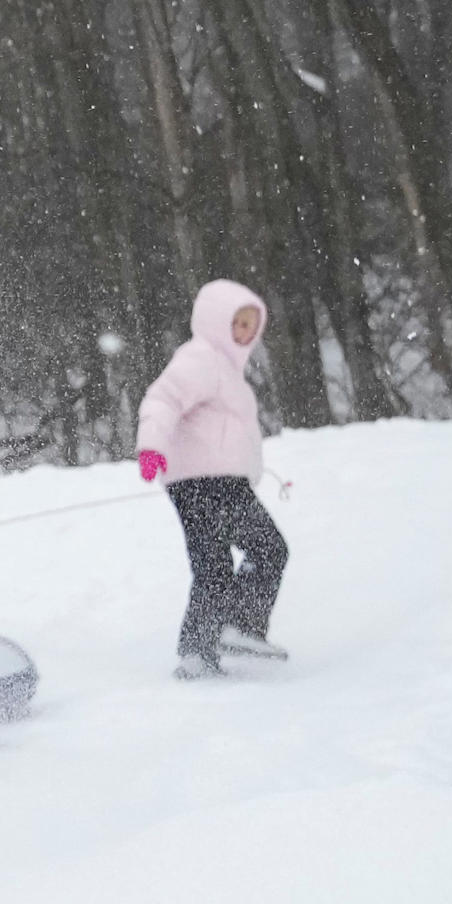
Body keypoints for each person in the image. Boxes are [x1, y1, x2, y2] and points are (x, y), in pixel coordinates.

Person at [134, 279, 286, 679]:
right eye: (238, 323)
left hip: (210, 482)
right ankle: (237, 627)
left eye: (251, 325)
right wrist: (152, 445)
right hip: (207, 483)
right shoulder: (201, 358)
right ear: (216, 321)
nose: (245, 332)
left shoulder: (228, 370)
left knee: (213, 566)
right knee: (268, 548)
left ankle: (199, 651)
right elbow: (163, 399)